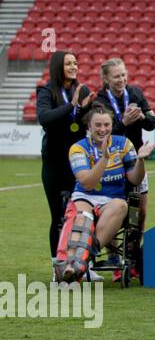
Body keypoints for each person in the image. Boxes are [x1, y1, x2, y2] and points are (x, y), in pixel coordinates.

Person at [58, 104, 153, 283]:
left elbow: (135, 179)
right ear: (89, 127)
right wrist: (104, 160)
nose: (103, 129)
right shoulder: (78, 148)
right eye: (98, 125)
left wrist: (140, 161)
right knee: (82, 216)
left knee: (121, 205)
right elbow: (87, 183)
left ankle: (80, 261)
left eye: (106, 125)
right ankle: (74, 265)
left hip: (112, 199)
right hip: (85, 196)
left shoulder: (123, 144)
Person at [36, 51, 94, 279]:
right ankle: (57, 266)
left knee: (83, 215)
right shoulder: (46, 91)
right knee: (58, 216)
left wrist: (87, 108)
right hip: (54, 163)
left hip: (79, 162)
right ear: (58, 66)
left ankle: (83, 265)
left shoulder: (84, 90)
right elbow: (45, 119)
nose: (73, 66)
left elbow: (86, 122)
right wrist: (72, 106)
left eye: (75, 63)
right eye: (68, 63)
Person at [95, 58, 155, 229]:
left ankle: (134, 251)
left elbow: (152, 124)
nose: (121, 79)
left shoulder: (136, 93)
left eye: (123, 75)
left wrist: (143, 117)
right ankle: (113, 255)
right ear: (106, 79)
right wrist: (123, 122)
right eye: (116, 76)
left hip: (135, 160)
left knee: (139, 211)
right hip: (111, 161)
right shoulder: (100, 100)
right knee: (111, 210)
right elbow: (101, 135)